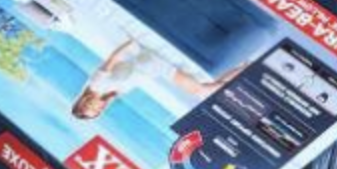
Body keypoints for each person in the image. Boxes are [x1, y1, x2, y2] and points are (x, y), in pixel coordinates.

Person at [71, 38, 249, 120]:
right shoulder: (106, 94)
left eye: (91, 107)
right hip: (154, 69)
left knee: (203, 91)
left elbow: (111, 60)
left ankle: (245, 67)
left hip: (154, 63)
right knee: (206, 91)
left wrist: (130, 43)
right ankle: (243, 67)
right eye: (97, 111)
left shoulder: (96, 84)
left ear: (84, 102)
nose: (97, 107)